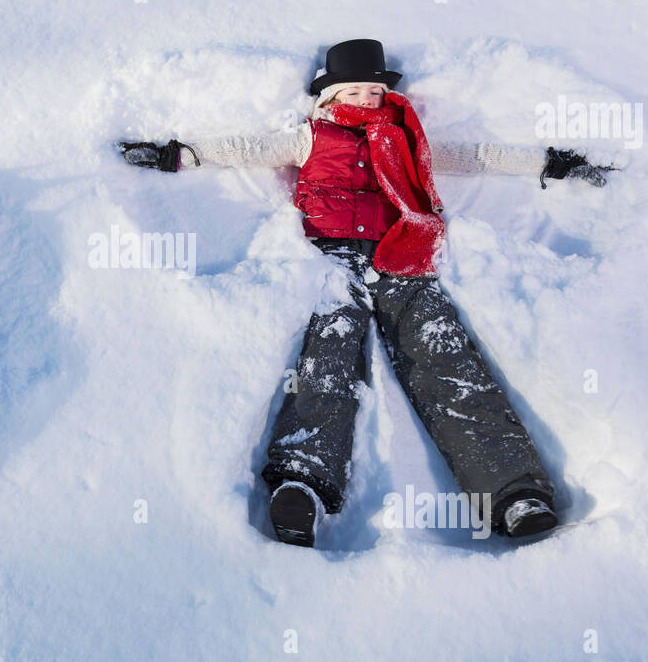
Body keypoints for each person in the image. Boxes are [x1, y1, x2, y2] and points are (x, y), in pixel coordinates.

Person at [119, 39, 615, 547]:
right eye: (352, 90)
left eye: (374, 91)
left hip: (402, 257)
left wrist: (547, 163)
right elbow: (247, 148)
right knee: (328, 357)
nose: (365, 99)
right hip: (333, 260)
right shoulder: (309, 138)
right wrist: (178, 155)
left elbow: (476, 157)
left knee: (444, 356)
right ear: (329, 96)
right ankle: (302, 482)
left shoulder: (404, 139)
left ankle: (512, 491)